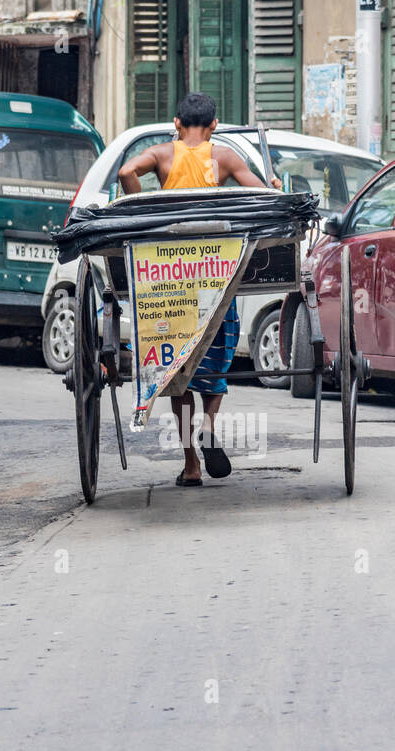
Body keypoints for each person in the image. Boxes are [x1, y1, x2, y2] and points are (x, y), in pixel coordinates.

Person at [118, 92, 281, 487]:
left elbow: (125, 172)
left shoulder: (161, 155)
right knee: (216, 360)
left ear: (176, 123)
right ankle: (208, 423)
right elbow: (260, 194)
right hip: (214, 273)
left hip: (171, 280)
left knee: (179, 371)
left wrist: (146, 211)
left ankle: (191, 465)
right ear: (214, 125)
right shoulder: (223, 157)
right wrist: (274, 184)